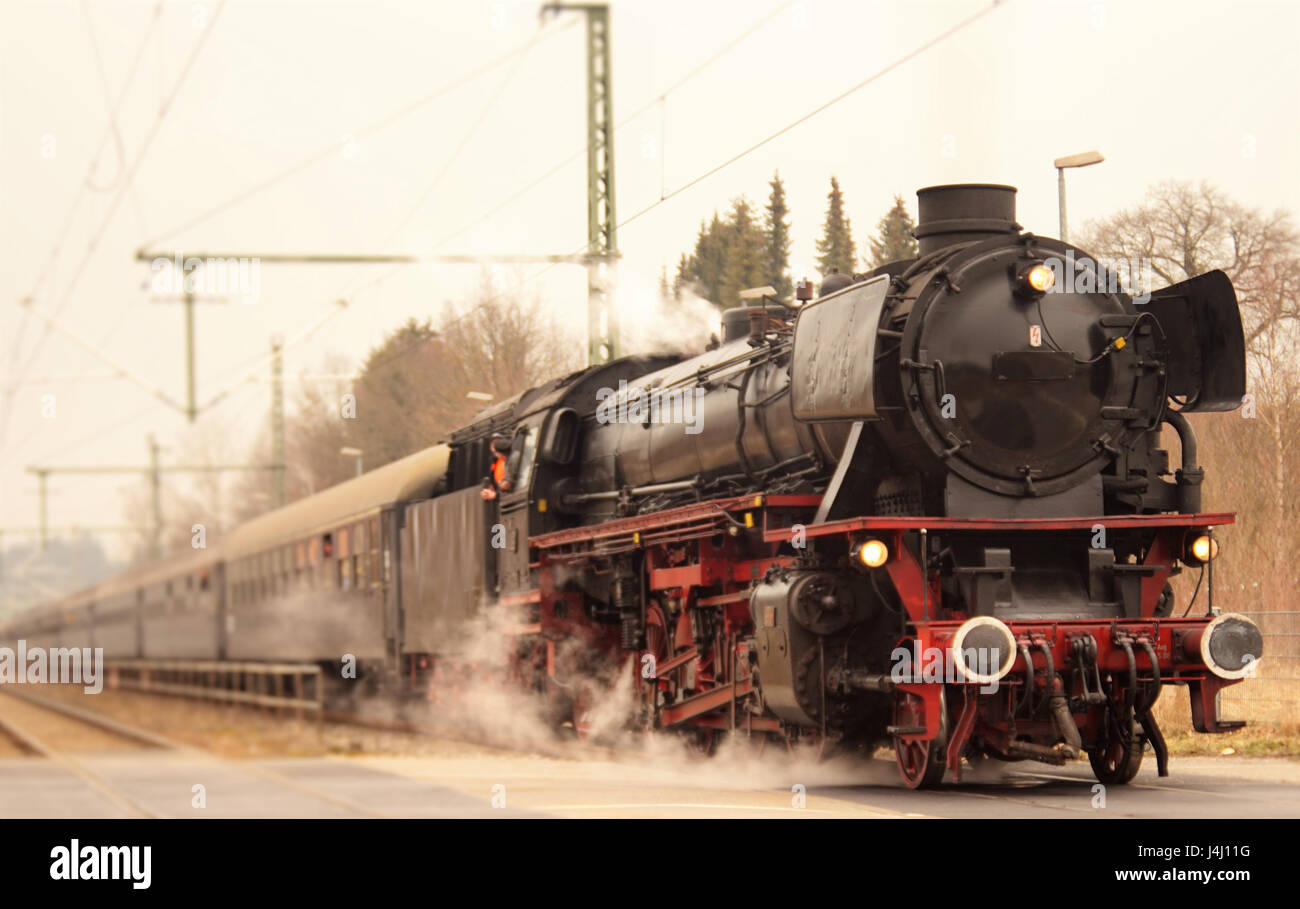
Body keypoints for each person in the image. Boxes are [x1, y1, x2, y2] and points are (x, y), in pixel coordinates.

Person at [481, 432, 513, 500]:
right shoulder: (494, 462)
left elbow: (509, 482)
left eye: (498, 442)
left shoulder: (508, 460)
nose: (496, 444)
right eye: (493, 443)